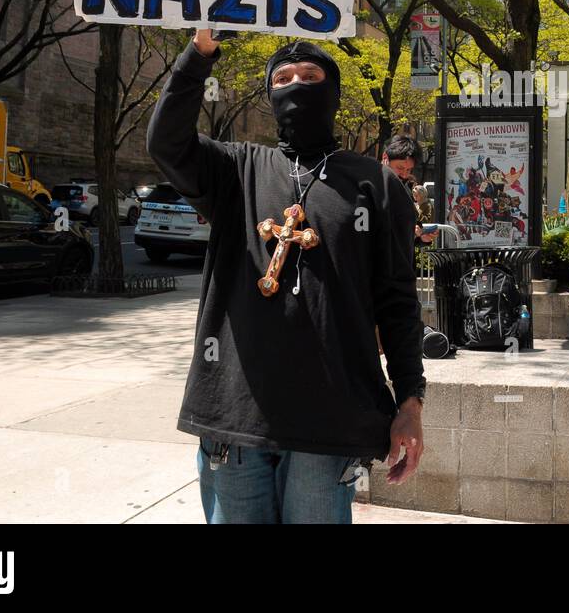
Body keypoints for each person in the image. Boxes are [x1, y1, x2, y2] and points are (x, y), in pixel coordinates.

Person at [147, 29, 425, 524]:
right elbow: (166, 142)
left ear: (333, 93)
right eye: (283, 77)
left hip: (331, 418)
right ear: (271, 95)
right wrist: (200, 52)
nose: (297, 83)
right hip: (236, 417)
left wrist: (410, 399)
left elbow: (398, 301)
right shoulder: (235, 170)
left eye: (311, 76)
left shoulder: (377, 185)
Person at [384, 134, 437, 245]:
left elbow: (412, 225)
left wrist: (422, 238)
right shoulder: (371, 187)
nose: (404, 174)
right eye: (400, 168)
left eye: (409, 170)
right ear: (385, 158)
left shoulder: (406, 188)